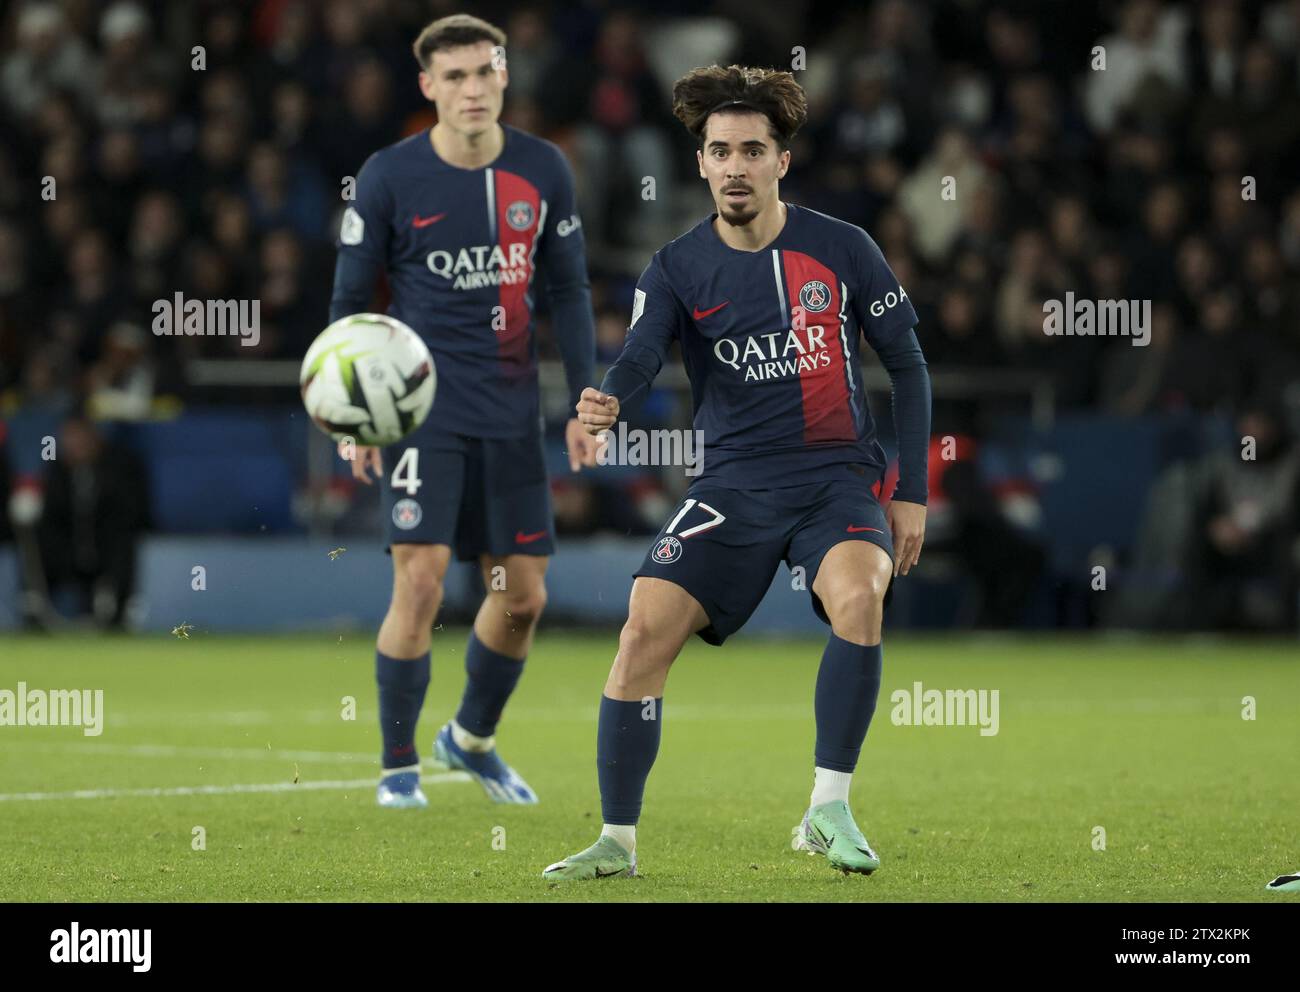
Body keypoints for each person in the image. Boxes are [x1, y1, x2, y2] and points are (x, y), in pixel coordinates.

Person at [543, 64, 931, 880]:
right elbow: (641, 356)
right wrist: (608, 398)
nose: (735, 166)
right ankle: (617, 841)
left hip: (835, 480)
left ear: (781, 161)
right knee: (642, 632)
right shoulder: (678, 266)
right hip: (732, 487)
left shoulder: (843, 247)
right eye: (719, 151)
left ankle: (828, 806)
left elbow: (910, 366)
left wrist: (914, 495)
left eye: (752, 150)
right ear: (700, 165)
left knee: (862, 594)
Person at [329, 14, 599, 808]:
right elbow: (350, 299)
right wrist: (355, 414)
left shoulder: (545, 168)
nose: (473, 89)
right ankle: (397, 766)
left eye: (485, 72)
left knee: (523, 600)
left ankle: (470, 738)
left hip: (513, 411)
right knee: (421, 582)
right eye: (455, 77)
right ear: (428, 87)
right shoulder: (388, 176)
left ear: (505, 74)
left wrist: (586, 398)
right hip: (423, 413)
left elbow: (569, 290)